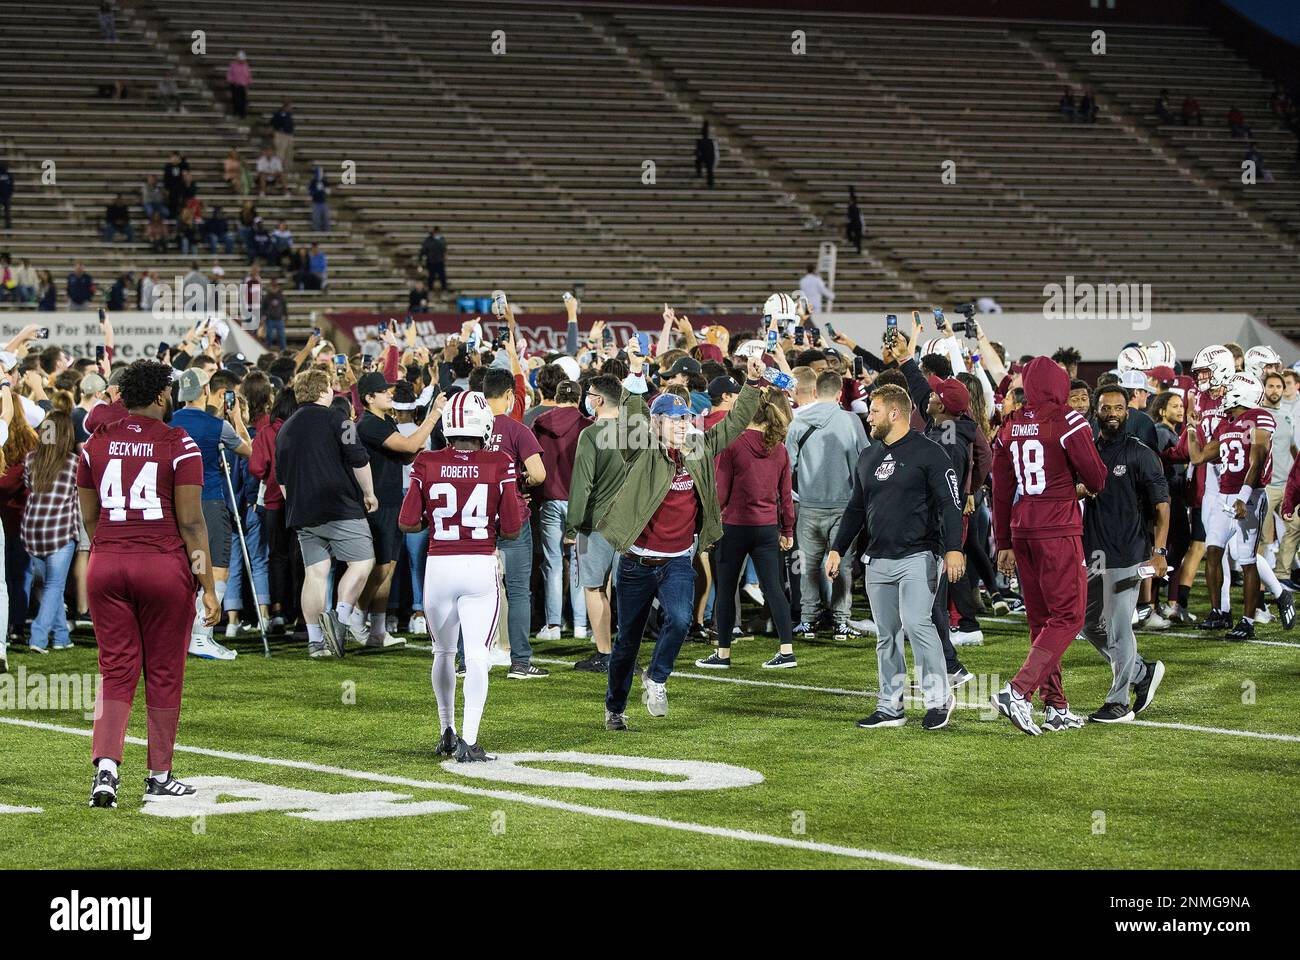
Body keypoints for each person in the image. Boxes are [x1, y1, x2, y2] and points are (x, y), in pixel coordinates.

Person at [599, 343, 764, 729]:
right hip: (637, 563)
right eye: (672, 420)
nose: (680, 425)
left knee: (678, 620)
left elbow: (734, 423)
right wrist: (636, 374)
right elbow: (631, 417)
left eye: (684, 419)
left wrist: (753, 381)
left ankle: (656, 678)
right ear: (655, 424)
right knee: (626, 643)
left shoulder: (698, 448)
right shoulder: (640, 449)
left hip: (676, 561)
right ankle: (615, 708)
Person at [78, 359, 220, 808]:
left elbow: (88, 516)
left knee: (115, 670)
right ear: (161, 395)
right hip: (161, 565)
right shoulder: (179, 442)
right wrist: (209, 585)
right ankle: (159, 773)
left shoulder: (95, 443)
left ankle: (105, 768)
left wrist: (111, 547)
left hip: (106, 562)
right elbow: (193, 523)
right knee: (163, 673)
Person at [825, 383, 965, 730]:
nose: (868, 416)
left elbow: (950, 504)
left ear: (894, 412)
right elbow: (856, 508)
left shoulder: (929, 452)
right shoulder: (869, 455)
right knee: (886, 633)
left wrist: (953, 548)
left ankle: (939, 699)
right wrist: (836, 548)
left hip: (918, 555)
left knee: (918, 623)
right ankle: (890, 707)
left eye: (873, 410)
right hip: (878, 560)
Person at [399, 391, 524, 763]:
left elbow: (406, 522)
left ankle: (446, 731)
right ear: (484, 424)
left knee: (443, 652)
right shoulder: (499, 462)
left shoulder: (426, 461)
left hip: (439, 566)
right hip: (478, 564)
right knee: (478, 656)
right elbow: (514, 530)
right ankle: (469, 740)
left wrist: (433, 518)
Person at [990, 357, 1107, 736]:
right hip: (1057, 527)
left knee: (1042, 621)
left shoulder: (1009, 424)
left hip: (1022, 528)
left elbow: (1002, 488)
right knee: (1069, 617)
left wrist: (1003, 540)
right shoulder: (1069, 420)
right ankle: (1017, 691)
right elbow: (1097, 478)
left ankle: (1055, 705)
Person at [1080, 385, 1170, 725]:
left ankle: (1118, 702)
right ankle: (1142, 672)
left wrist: (1159, 551)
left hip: (1128, 554)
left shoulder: (1141, 454)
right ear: (1097, 412)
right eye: (1106, 408)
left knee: (1119, 629)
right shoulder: (1086, 451)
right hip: (1094, 553)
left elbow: (1162, 506)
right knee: (1089, 624)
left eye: (1118, 408)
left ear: (1127, 413)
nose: (1113, 413)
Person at [274, 368, 377, 658]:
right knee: (362, 561)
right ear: (323, 391)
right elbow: (358, 458)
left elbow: (281, 479)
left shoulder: (285, 428)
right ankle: (340, 621)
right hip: (339, 505)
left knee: (316, 573)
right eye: (330, 386)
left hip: (301, 510)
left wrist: (296, 504)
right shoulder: (337, 418)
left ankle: (315, 641)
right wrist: (369, 494)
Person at [1188, 372, 1294, 640]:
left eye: (1228, 392)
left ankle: (1247, 621)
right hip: (1224, 496)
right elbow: (1199, 456)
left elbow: (1257, 461)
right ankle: (1218, 613)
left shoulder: (1259, 416)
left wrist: (1244, 497)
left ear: (1239, 393)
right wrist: (1191, 428)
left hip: (1250, 496)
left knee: (1246, 560)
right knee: (1213, 552)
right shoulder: (1225, 424)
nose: (1223, 397)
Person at [696, 388, 797, 669]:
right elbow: (785, 496)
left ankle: (723, 654)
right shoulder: (779, 449)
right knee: (774, 588)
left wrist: (710, 528)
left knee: (726, 590)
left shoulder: (732, 445)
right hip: (766, 527)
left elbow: (720, 493)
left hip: (735, 527)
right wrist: (787, 530)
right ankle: (786, 651)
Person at [353, 368, 443, 649]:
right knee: (380, 568)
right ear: (369, 398)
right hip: (377, 502)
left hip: (391, 500)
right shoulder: (369, 423)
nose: (388, 393)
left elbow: (404, 456)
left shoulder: (383, 420)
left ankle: (377, 630)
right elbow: (408, 444)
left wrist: (415, 449)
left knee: (388, 568)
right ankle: (354, 619)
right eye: (382, 391)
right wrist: (434, 415)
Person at [169, 367, 252, 660]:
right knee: (216, 566)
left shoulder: (169, 422)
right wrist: (238, 419)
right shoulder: (217, 426)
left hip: (175, 503)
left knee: (184, 568)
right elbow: (251, 453)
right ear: (206, 391)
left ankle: (185, 635)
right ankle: (202, 636)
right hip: (209, 502)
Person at [787, 367, 869, 639]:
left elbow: (787, 466)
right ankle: (841, 621)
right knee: (842, 564)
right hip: (845, 505)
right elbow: (864, 463)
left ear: (814, 391)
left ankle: (808, 619)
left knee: (808, 565)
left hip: (809, 504)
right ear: (838, 393)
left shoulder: (798, 422)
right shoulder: (851, 421)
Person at [482, 364, 548, 677]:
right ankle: (520, 662)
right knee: (519, 590)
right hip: (512, 516)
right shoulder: (516, 429)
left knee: (476, 590)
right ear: (509, 395)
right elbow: (538, 473)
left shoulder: (468, 428)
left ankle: (468, 660)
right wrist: (520, 482)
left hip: (477, 517)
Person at [564, 374, 627, 673]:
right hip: (630, 524)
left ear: (599, 400)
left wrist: (571, 526)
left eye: (589, 395)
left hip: (595, 523)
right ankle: (623, 653)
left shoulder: (591, 434)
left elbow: (582, 485)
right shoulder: (637, 432)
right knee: (621, 589)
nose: (587, 400)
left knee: (594, 588)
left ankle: (605, 653)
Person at [533, 379, 591, 642]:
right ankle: (580, 625)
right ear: (578, 399)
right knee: (580, 562)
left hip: (549, 500)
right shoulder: (586, 426)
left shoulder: (540, 423)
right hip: (580, 502)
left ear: (556, 397)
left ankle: (554, 625)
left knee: (553, 563)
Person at [22, 411, 80, 653]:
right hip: (60, 530)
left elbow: (27, 486)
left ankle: (61, 637)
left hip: (33, 529)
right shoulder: (74, 464)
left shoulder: (31, 459)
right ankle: (38, 637)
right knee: (54, 585)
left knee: (49, 585)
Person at [420, 226, 447, 293]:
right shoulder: (428, 240)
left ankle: (444, 288)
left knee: (442, 276)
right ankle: (430, 288)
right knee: (431, 276)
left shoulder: (441, 239)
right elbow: (424, 249)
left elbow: (443, 248)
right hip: (431, 261)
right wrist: (421, 258)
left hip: (439, 261)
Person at [271, 100, 295, 167]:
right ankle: (278, 166)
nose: (290, 108)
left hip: (289, 135)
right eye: (289, 107)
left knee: (289, 152)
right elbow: (273, 122)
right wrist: (279, 129)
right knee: (280, 152)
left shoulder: (289, 115)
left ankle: (286, 166)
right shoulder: (278, 114)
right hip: (281, 135)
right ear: (285, 107)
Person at [227, 51, 251, 119]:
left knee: (243, 100)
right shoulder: (233, 65)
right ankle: (236, 112)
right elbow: (230, 74)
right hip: (235, 85)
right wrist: (231, 81)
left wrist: (249, 82)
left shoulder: (246, 66)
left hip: (243, 85)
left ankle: (242, 113)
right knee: (236, 99)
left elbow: (248, 75)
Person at [694, 121, 716, 188]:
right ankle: (710, 183)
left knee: (699, 162)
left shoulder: (701, 141)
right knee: (709, 170)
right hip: (709, 156)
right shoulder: (709, 141)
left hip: (706, 156)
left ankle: (699, 174)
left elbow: (697, 151)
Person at [308, 166, 330, 232]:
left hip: (323, 202)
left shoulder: (324, 181)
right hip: (316, 203)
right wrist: (317, 191)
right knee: (316, 220)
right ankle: (317, 233)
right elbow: (310, 192)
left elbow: (328, 191)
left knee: (326, 219)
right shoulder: (313, 182)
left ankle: (327, 233)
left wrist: (324, 190)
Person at [845, 186, 864, 254]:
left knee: (857, 237)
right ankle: (854, 244)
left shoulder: (853, 207)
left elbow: (853, 199)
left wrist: (851, 191)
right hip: (854, 224)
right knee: (850, 233)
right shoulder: (851, 207)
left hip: (856, 224)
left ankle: (857, 248)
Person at [0, 160, 13, 229]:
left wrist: (9, 195)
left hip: (5, 197)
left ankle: (8, 226)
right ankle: (8, 226)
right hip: (5, 196)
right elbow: (11, 186)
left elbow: (11, 186)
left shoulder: (8, 175)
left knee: (7, 213)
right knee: (6, 213)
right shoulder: (8, 175)